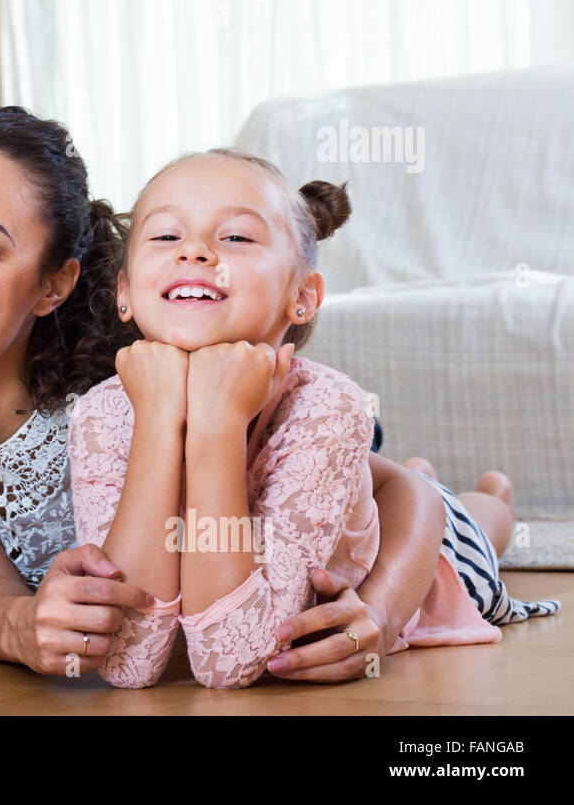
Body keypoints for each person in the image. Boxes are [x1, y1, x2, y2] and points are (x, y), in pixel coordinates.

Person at [0, 106, 448, 680]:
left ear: (54, 285)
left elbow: (405, 493)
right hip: (199, 607)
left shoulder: (141, 365)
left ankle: (488, 503)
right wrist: (21, 627)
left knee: (457, 522)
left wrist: (383, 607)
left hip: (324, 511)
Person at [68, 149, 559, 688]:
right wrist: (159, 423)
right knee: (397, 483)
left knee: (474, 530)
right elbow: (129, 662)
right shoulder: (98, 413)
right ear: (124, 292)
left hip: (413, 552)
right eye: (165, 236)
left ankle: (492, 500)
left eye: (235, 237)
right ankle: (412, 480)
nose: (194, 251)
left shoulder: (328, 405)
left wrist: (217, 426)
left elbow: (229, 664)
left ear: (303, 297)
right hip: (357, 506)